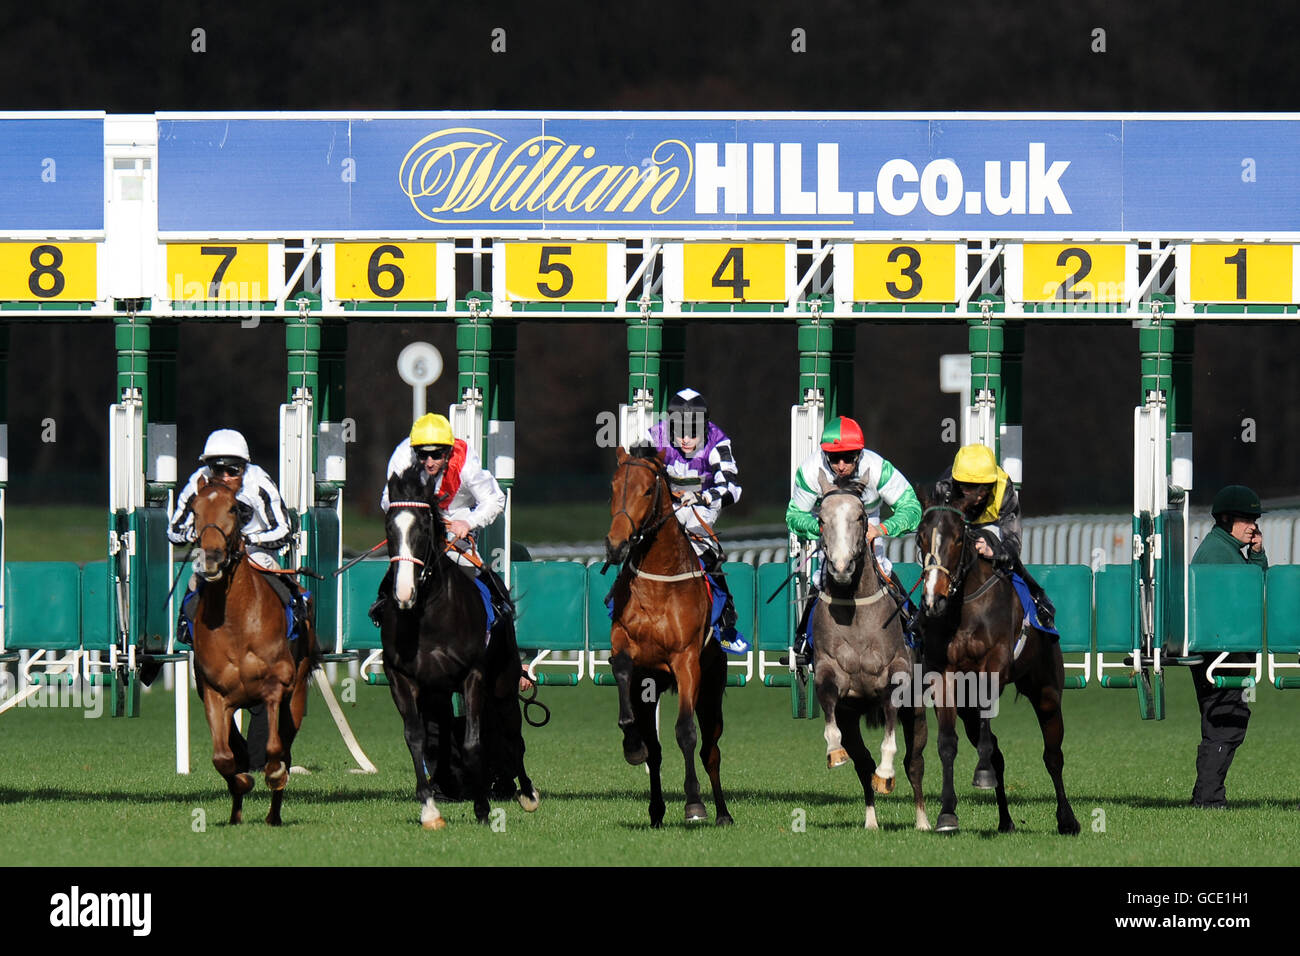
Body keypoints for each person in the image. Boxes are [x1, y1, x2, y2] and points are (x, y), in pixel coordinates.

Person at [163, 428, 305, 770]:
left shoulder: (258, 481)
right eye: (218, 468)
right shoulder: (198, 482)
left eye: (232, 469)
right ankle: (188, 631)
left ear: (244, 467)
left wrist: (245, 538)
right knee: (193, 593)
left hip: (255, 552)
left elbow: (283, 527)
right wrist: (202, 533)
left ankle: (297, 623)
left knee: (284, 588)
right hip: (210, 552)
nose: (225, 476)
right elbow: (174, 528)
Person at [786, 416, 922, 660]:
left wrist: (883, 529)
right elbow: (794, 515)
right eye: (833, 457)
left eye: (848, 457)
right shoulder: (809, 470)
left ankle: (912, 627)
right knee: (822, 579)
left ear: (859, 454)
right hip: (830, 528)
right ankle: (805, 639)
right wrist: (821, 528)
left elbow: (911, 507)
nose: (840, 465)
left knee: (883, 569)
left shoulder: (878, 467)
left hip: (868, 523)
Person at [371, 412, 512, 627]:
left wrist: (469, 523)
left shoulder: (465, 464)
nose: (429, 462)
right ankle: (382, 606)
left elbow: (494, 500)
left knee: (477, 573)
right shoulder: (402, 456)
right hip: (419, 525)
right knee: (401, 564)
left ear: (447, 452)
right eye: (422, 455)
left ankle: (497, 611)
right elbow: (387, 500)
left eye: (436, 455)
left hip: (457, 522)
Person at [646, 387, 747, 653]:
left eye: (693, 433)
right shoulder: (654, 436)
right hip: (668, 502)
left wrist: (702, 497)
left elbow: (733, 489)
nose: (687, 439)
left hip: (703, 505)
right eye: (680, 432)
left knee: (695, 532)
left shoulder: (718, 441)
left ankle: (727, 617)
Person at [1187, 484, 1266, 809]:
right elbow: (1249, 594)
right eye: (1246, 519)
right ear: (1225, 519)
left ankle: (1206, 797)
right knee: (1226, 721)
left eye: (1255, 519)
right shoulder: (1221, 554)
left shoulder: (1225, 549)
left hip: (1221, 650)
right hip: (1223, 652)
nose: (1253, 525)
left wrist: (1256, 554)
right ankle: (1208, 799)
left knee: (1222, 719)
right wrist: (1256, 559)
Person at [941, 443, 1055, 631]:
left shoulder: (1004, 488)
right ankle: (920, 620)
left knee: (1008, 559)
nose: (975, 494)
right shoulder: (944, 486)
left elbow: (1013, 543)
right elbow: (935, 530)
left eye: (983, 487)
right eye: (968, 486)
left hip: (991, 528)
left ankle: (1039, 602)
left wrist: (993, 551)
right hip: (955, 529)